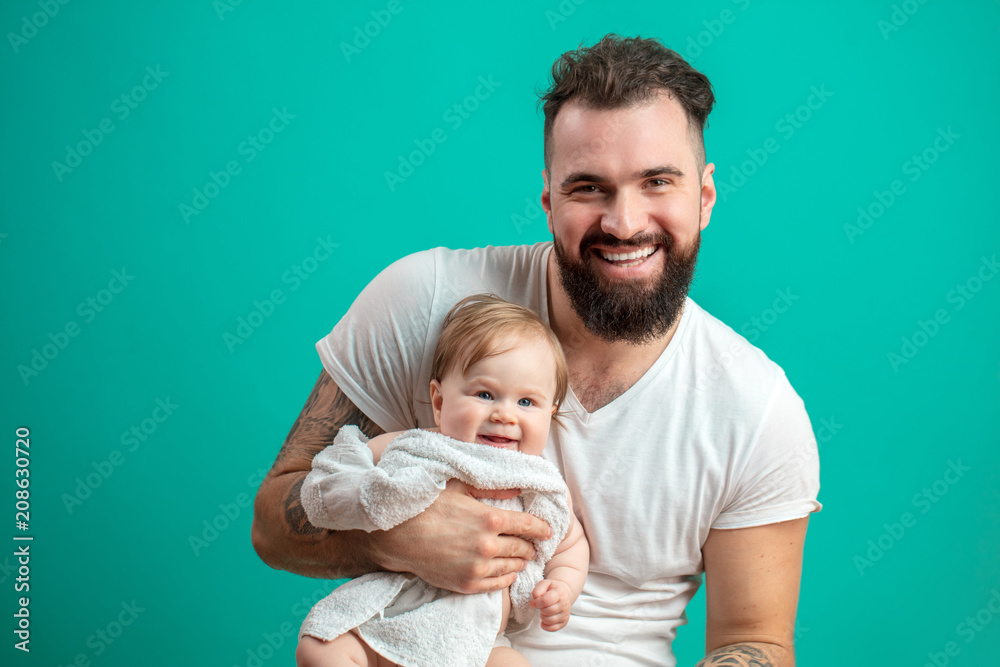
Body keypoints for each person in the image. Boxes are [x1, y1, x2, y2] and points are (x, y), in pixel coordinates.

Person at [253, 34, 821, 666]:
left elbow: (755, 640)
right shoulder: (422, 300)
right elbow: (275, 521)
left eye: (658, 181)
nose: (625, 222)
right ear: (549, 200)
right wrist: (401, 538)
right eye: (589, 188)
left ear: (706, 195)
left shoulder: (757, 407)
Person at [294, 295, 589, 667]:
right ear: (439, 400)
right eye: (485, 394)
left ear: (552, 412)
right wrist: (362, 494)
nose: (504, 414)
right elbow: (343, 465)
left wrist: (561, 587)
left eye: (527, 402)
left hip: (475, 639)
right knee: (320, 648)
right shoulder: (421, 445)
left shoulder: (538, 483)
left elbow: (570, 543)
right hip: (392, 613)